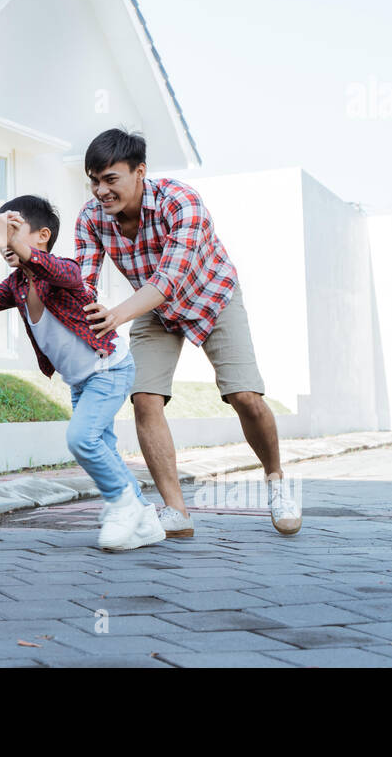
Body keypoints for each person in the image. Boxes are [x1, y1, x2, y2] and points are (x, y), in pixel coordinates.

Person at [76, 129, 301, 537]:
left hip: (211, 295)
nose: (100, 191)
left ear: (140, 171)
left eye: (111, 179)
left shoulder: (181, 201)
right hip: (154, 310)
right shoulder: (91, 219)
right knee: (144, 397)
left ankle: (276, 480)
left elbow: (169, 279)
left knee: (244, 396)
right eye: (94, 180)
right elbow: (83, 281)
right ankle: (176, 511)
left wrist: (114, 316)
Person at [0, 196, 163, 551]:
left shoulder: (64, 271)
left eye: (12, 232)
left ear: (42, 236)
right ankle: (144, 517)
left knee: (82, 439)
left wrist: (17, 242)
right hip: (82, 380)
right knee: (103, 448)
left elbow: (64, 273)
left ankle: (122, 504)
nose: (3, 243)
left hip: (109, 368)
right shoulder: (17, 285)